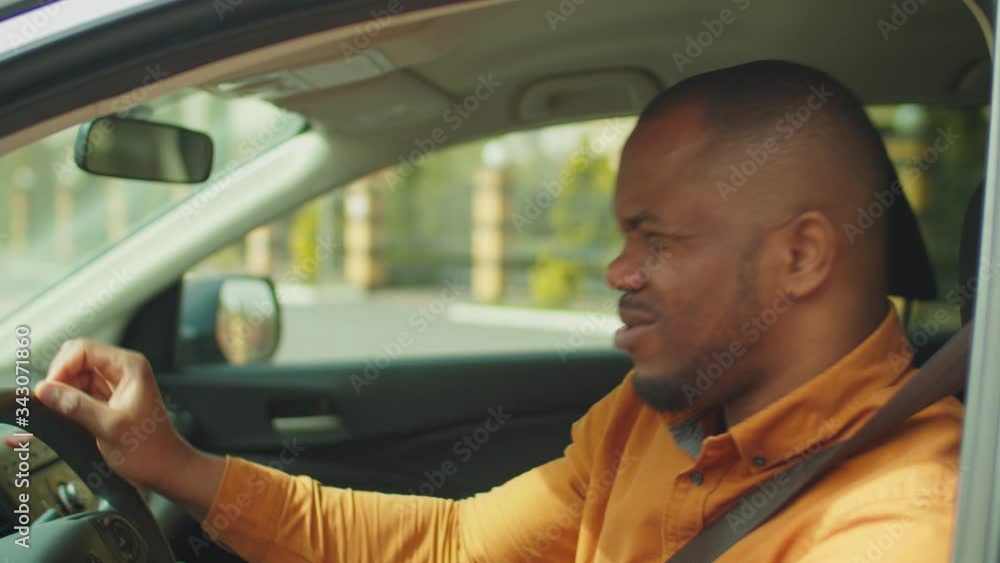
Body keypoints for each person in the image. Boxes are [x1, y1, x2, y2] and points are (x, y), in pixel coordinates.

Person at [34, 60, 962, 562]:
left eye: (658, 239)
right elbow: (452, 543)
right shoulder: (653, 419)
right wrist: (174, 464)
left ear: (800, 255)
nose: (617, 268)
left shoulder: (903, 523)